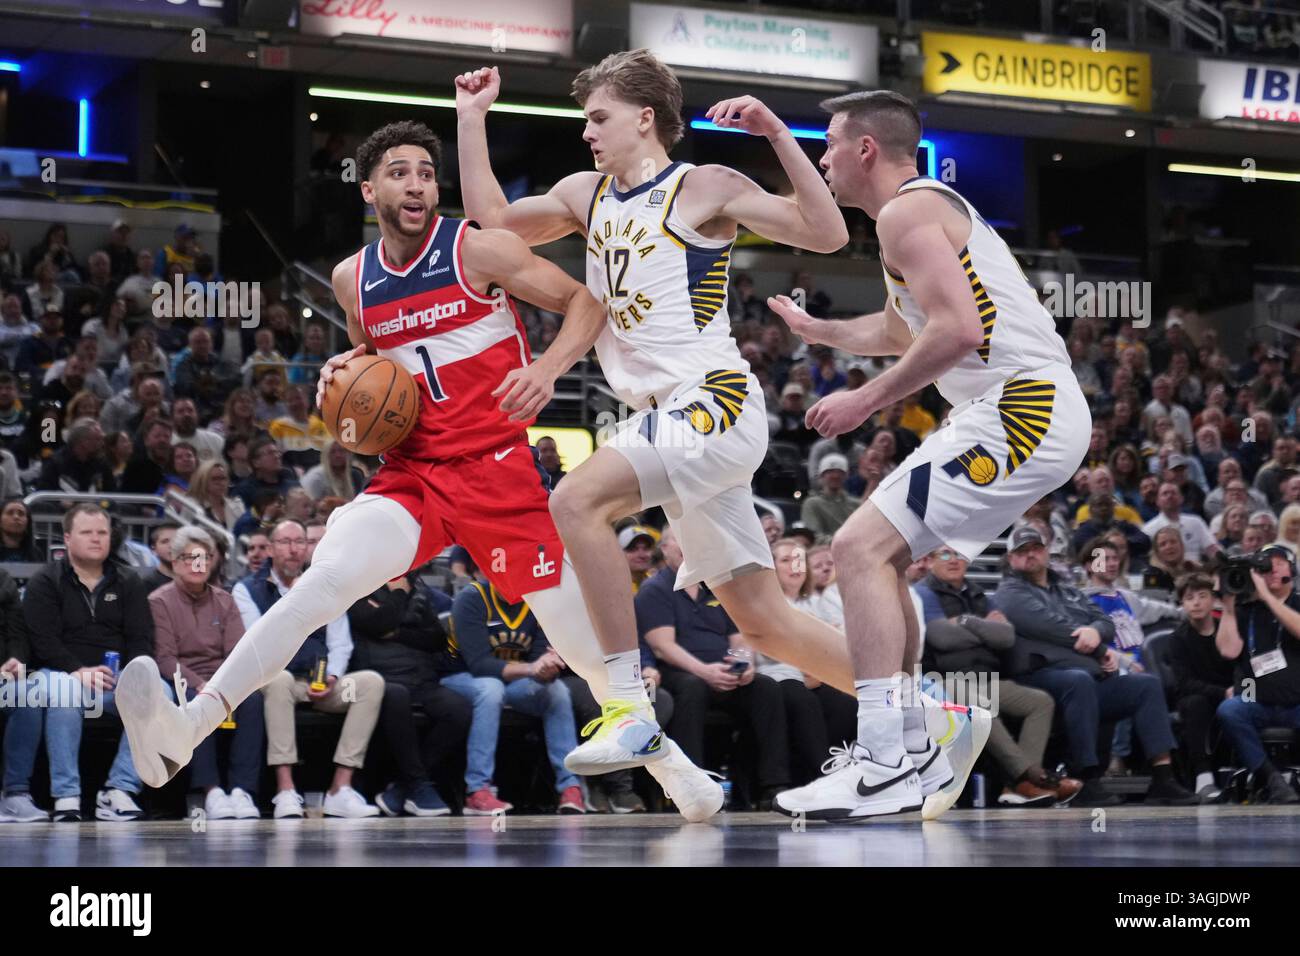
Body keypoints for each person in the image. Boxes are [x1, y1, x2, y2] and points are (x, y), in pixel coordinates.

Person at [114, 119, 724, 825]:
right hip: (414, 474)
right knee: (320, 583)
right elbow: (374, 377)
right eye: (400, 172)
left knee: (582, 645)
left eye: (427, 174)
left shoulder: (479, 248)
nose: (417, 184)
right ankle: (184, 730)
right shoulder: (352, 279)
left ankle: (678, 772)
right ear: (368, 188)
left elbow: (588, 299)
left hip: (497, 469)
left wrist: (548, 367)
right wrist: (341, 384)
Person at [455, 59, 985, 819]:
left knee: (574, 499)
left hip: (713, 402)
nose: (585, 132)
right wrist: (474, 118)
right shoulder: (585, 194)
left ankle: (631, 707)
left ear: (644, 117)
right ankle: (938, 718)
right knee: (764, 621)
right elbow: (495, 224)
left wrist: (775, 134)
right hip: (660, 420)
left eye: (598, 117)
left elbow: (828, 232)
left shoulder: (702, 185)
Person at [742, 86, 1097, 818]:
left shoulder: (906, 212)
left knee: (856, 547)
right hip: (1022, 406)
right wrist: (825, 332)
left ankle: (885, 759)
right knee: (884, 557)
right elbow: (912, 330)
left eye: (830, 144)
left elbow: (959, 331)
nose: (823, 160)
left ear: (865, 148)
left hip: (1019, 405)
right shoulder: (914, 216)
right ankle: (908, 743)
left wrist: (864, 400)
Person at [996, 527, 1198, 807]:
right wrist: (1100, 646)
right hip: (1037, 678)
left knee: (1145, 685)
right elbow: (1051, 627)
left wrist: (1094, 632)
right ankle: (1086, 777)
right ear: (1011, 559)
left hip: (1086, 677)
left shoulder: (1067, 590)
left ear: (1046, 551)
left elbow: (1104, 621)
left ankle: (1163, 777)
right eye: (1022, 551)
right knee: (1078, 681)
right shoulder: (1009, 593)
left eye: (1036, 548)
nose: (1030, 554)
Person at [4, 505, 156, 822]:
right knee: (62, 692)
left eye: (102, 532)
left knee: (160, 694)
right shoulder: (45, 581)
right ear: (68, 538)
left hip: (115, 679)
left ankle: (120, 789)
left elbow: (141, 638)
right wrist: (78, 670)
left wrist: (134, 674)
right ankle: (67, 795)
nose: (96, 539)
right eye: (87, 532)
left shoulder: (129, 581)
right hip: (59, 672)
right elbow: (43, 642)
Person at [914, 545, 1081, 805]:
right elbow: (942, 638)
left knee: (1040, 701)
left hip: (986, 677)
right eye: (945, 554)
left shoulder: (977, 593)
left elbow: (1006, 637)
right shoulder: (924, 592)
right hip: (942, 679)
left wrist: (966, 622)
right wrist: (985, 629)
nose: (954, 560)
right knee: (978, 701)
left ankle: (1014, 790)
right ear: (930, 560)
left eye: (959, 554)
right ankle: (1027, 776)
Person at [443, 575, 585, 814]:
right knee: (490, 689)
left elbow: (539, 660)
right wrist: (532, 668)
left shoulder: (539, 602)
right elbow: (479, 665)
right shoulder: (472, 597)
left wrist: (548, 668)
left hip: (513, 682)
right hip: (459, 677)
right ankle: (477, 790)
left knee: (557, 691)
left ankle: (570, 787)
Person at [150, 526, 262, 819]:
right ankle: (211, 791)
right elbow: (165, 658)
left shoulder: (224, 600)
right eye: (190, 558)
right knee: (196, 701)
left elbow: (237, 653)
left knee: (253, 700)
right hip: (183, 680)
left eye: (204, 557)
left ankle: (242, 790)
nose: (198, 564)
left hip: (224, 678)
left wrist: (225, 684)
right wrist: (201, 684)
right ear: (174, 562)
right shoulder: (159, 601)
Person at [1215, 546, 1300, 804]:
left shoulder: (1297, 601)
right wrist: (1228, 606)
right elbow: (1229, 651)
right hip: (1257, 700)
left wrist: (1266, 595)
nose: (1272, 569)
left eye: (1278, 563)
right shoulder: (1247, 610)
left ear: (1292, 569)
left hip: (1297, 702)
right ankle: (1270, 778)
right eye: (1265, 565)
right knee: (1230, 710)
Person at [1165, 573, 1235, 801]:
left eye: (1202, 596)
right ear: (1182, 604)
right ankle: (1203, 779)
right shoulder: (1178, 638)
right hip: (1197, 697)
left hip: (1235, 693)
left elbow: (1247, 667)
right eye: (1189, 598)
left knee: (1251, 700)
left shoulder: (1230, 629)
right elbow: (1184, 683)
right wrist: (1222, 692)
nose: (1196, 602)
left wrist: (1245, 692)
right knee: (1197, 704)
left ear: (1213, 600)